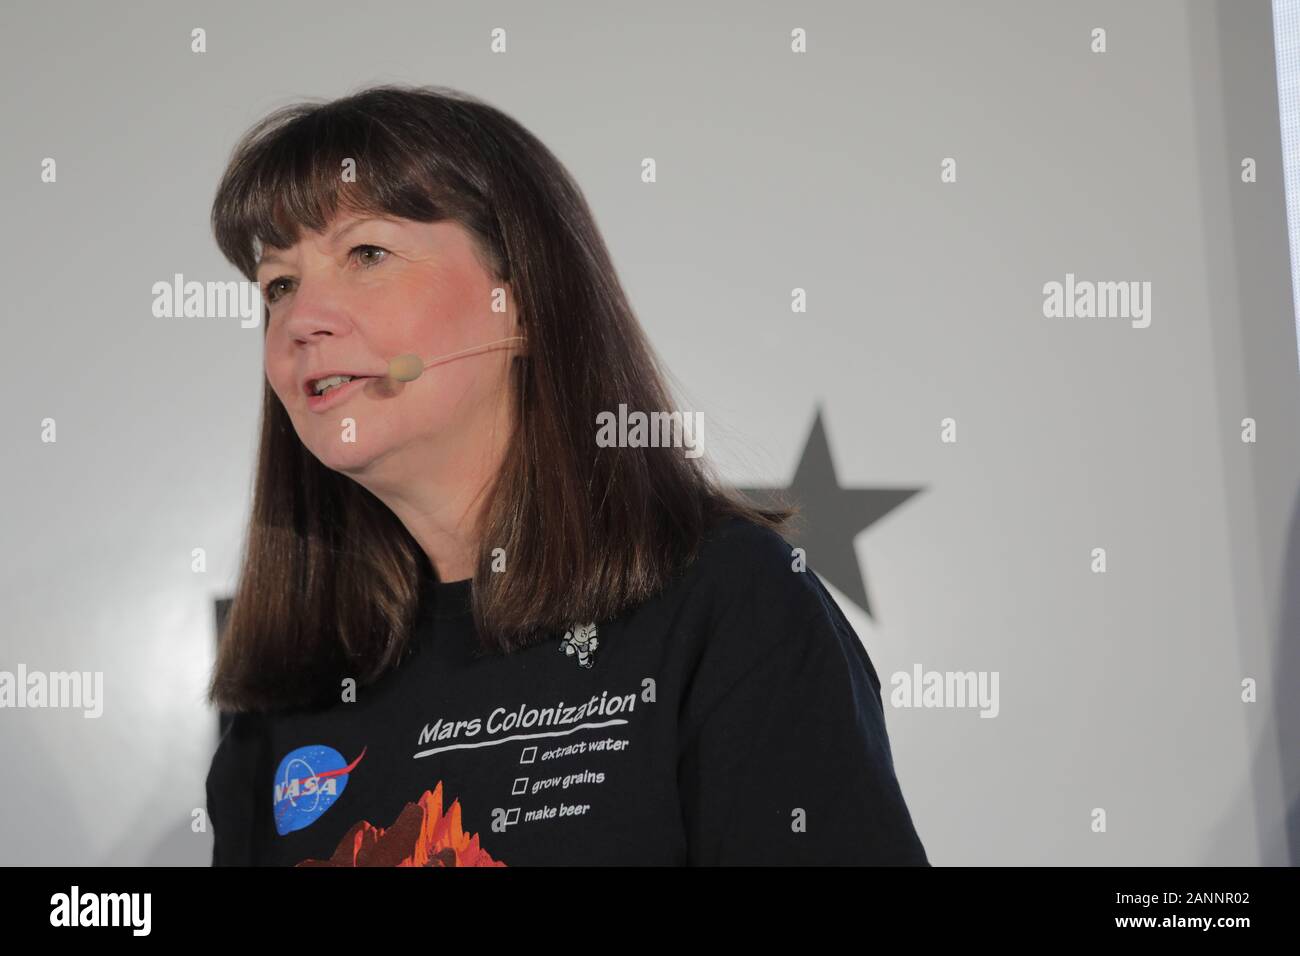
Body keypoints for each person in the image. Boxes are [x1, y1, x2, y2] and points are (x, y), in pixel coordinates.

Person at [204, 83, 929, 866]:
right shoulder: (292, 689)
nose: (303, 319)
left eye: (367, 254)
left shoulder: (728, 601)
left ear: (518, 303)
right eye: (279, 284)